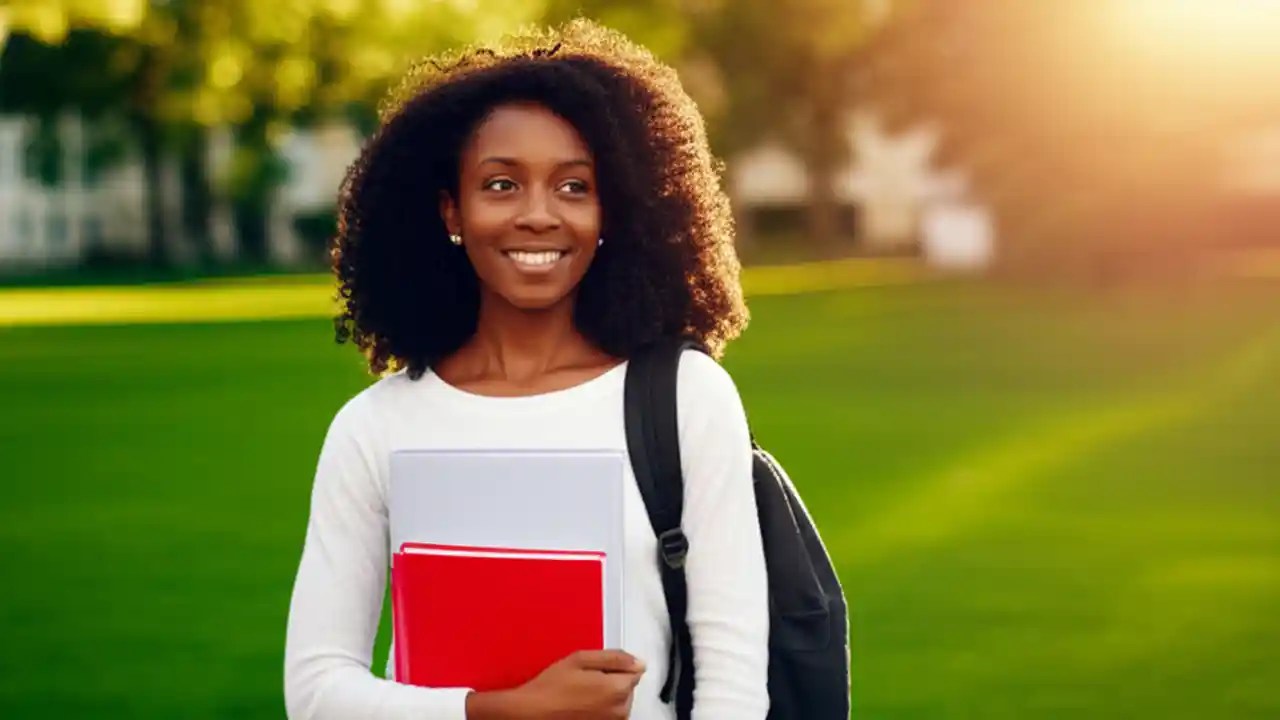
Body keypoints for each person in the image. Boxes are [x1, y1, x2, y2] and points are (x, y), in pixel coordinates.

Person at [284, 19, 769, 720]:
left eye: (574, 187)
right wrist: (505, 710)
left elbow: (732, 683)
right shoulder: (375, 428)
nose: (539, 216)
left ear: (611, 211)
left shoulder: (684, 399)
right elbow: (316, 691)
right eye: (502, 184)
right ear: (452, 210)